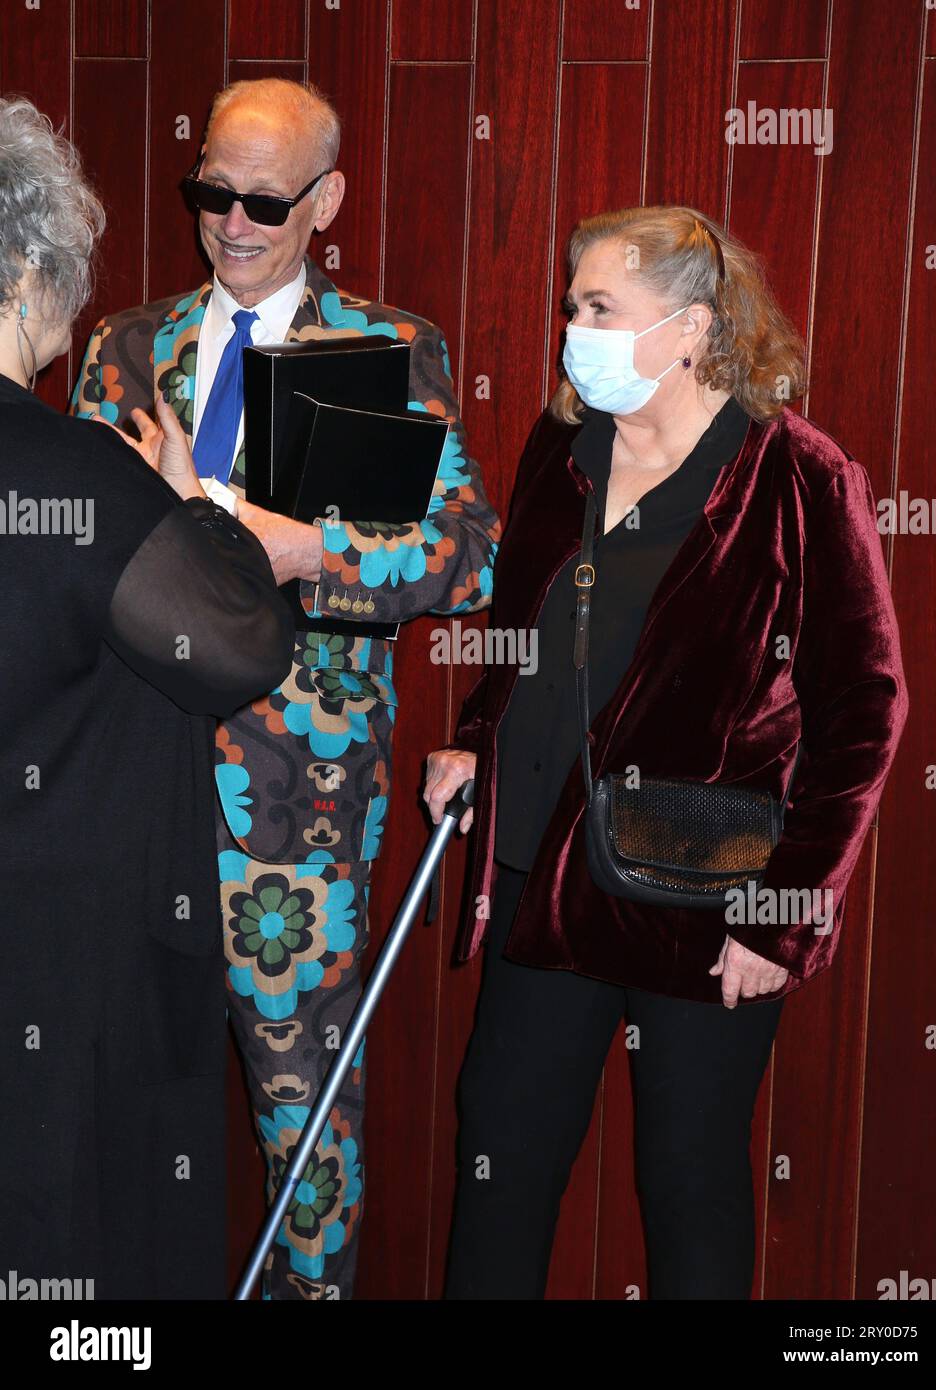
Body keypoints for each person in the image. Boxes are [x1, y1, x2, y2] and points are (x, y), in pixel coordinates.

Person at [424, 205, 909, 1299]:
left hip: (706, 902)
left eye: (599, 309)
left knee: (687, 1181)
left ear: (690, 328)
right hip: (541, 878)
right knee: (498, 1158)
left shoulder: (796, 475)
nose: (569, 330)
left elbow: (865, 706)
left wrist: (783, 912)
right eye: (570, 305)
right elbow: (521, 634)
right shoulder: (563, 448)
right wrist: (473, 742)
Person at [71, 77, 500, 1300]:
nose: (236, 223)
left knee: (301, 1127)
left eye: (268, 199)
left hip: (298, 826)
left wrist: (309, 549)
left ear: (328, 199)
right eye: (214, 191)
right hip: (127, 796)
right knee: (124, 1113)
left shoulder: (375, 352)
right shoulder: (124, 347)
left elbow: (466, 561)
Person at [0, 96, 294, 1299]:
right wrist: (188, 506)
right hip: (71, 960)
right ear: (25, 269)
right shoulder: (81, 471)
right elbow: (237, 647)